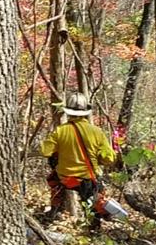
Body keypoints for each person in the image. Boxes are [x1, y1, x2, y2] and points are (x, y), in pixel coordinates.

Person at [39, 92, 116, 220]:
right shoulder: (97, 132)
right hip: (87, 179)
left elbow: (45, 152)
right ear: (86, 111)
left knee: (54, 181)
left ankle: (55, 211)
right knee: (94, 203)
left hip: (66, 180)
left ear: (68, 111)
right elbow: (109, 158)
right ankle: (95, 226)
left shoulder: (60, 131)